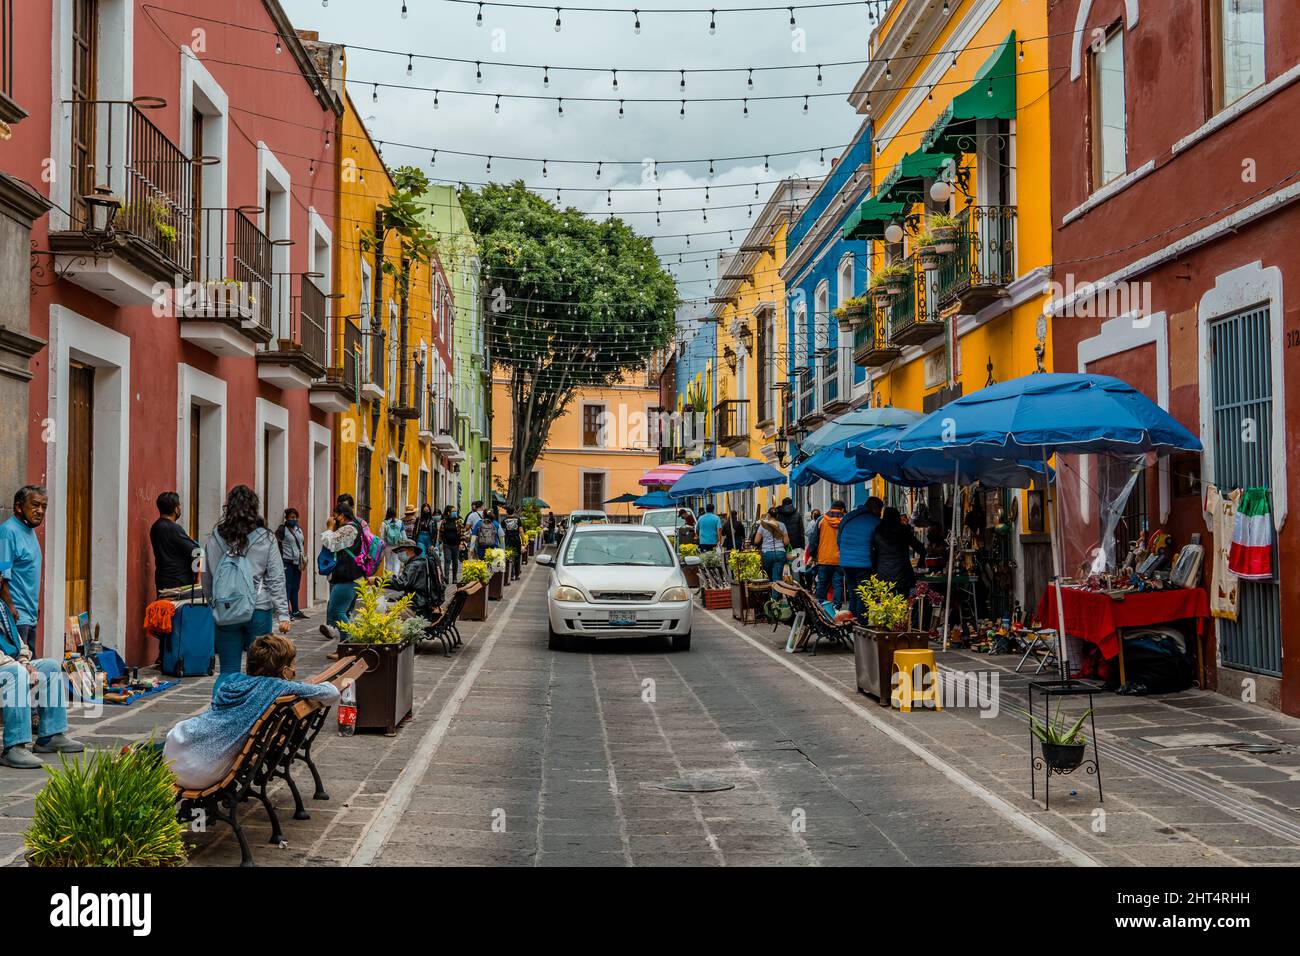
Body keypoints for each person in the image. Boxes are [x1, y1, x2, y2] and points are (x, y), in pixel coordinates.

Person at [163, 635, 339, 791]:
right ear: (285, 671)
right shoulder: (277, 686)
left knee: (151, 748)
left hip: (178, 747)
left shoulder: (230, 682)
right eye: (293, 665)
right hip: (204, 771)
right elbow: (332, 693)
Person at [202, 485, 290, 697]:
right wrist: (283, 614)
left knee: (227, 672)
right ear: (254, 508)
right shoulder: (266, 538)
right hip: (258, 609)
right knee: (261, 672)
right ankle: (254, 718)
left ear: (228, 507)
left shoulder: (215, 537)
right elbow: (276, 578)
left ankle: (219, 715)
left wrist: (213, 603)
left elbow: (208, 576)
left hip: (226, 609)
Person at [0, 596, 82, 768]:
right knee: (16, 674)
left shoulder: (3, 607)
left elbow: (19, 642)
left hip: (11, 663)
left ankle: (50, 736)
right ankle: (14, 747)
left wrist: (25, 661)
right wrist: (20, 666)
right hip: (6, 666)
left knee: (50, 667)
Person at [0, 486, 47, 653]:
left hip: (30, 615)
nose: (40, 511)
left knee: (33, 673)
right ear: (19, 507)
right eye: (35, 505)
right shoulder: (8, 532)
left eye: (44, 507)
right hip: (16, 618)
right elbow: (2, 575)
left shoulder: (29, 530)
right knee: (23, 671)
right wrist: (11, 608)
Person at [319, 500, 367, 643]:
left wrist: (329, 528)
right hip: (351, 576)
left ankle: (350, 644)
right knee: (344, 612)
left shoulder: (349, 529)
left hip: (347, 577)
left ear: (342, 515)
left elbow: (331, 543)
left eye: (336, 516)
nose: (334, 519)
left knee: (337, 612)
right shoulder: (354, 527)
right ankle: (346, 645)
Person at [839, 496, 884, 617]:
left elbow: (838, 539)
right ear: (874, 508)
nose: (880, 514)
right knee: (863, 595)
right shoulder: (875, 521)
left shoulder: (848, 517)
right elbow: (881, 544)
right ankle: (861, 624)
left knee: (853, 593)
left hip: (846, 562)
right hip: (863, 563)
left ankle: (851, 621)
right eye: (879, 510)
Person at [149, 491, 200, 595]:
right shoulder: (173, 528)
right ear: (176, 509)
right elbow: (197, 551)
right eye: (179, 506)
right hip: (179, 585)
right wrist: (198, 578)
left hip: (162, 581)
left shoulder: (155, 527)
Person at [872, 506, 926, 597]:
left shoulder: (878, 531)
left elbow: (873, 551)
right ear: (897, 517)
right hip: (903, 572)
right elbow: (920, 548)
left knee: (887, 603)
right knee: (904, 602)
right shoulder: (903, 530)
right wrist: (921, 560)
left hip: (884, 572)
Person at [806, 499, 847, 607]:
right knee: (837, 584)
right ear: (842, 509)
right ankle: (837, 607)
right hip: (838, 559)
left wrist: (812, 555)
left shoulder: (822, 520)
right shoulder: (844, 521)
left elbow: (814, 540)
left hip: (823, 559)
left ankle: (821, 606)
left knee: (822, 583)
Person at [275, 508, 307, 620]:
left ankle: (295, 610)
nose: (294, 519)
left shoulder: (298, 529)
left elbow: (301, 543)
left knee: (295, 587)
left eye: (295, 517)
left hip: (297, 562)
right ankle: (286, 612)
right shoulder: (282, 530)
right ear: (286, 518)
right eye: (291, 517)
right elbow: (276, 544)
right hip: (287, 562)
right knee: (287, 587)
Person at [752, 507, 789, 582]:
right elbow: (786, 542)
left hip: (767, 553)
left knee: (768, 577)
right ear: (777, 516)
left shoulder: (763, 525)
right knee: (777, 579)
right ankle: (775, 592)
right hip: (780, 552)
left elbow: (756, 541)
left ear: (768, 515)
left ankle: (770, 592)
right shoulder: (782, 525)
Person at [439, 507, 463, 584]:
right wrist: (440, 543)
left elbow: (461, 533)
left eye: (455, 511)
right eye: (453, 511)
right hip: (446, 544)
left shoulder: (458, 521)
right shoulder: (444, 521)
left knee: (455, 561)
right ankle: (446, 577)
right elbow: (441, 532)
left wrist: (462, 543)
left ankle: (454, 578)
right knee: (447, 560)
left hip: (456, 544)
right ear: (448, 513)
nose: (455, 512)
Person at [381, 507, 404, 575]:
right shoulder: (400, 522)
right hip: (397, 545)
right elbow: (403, 534)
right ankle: (395, 576)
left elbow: (382, 536)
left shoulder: (384, 523)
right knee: (397, 561)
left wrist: (382, 546)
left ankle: (388, 578)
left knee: (388, 561)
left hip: (387, 546)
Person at [502, 506, 523, 577]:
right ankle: (517, 574)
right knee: (517, 556)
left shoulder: (504, 520)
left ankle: (510, 574)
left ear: (506, 511)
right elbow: (521, 531)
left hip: (508, 539)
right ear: (514, 511)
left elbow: (503, 532)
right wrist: (523, 541)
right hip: (516, 539)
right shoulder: (518, 519)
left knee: (508, 556)